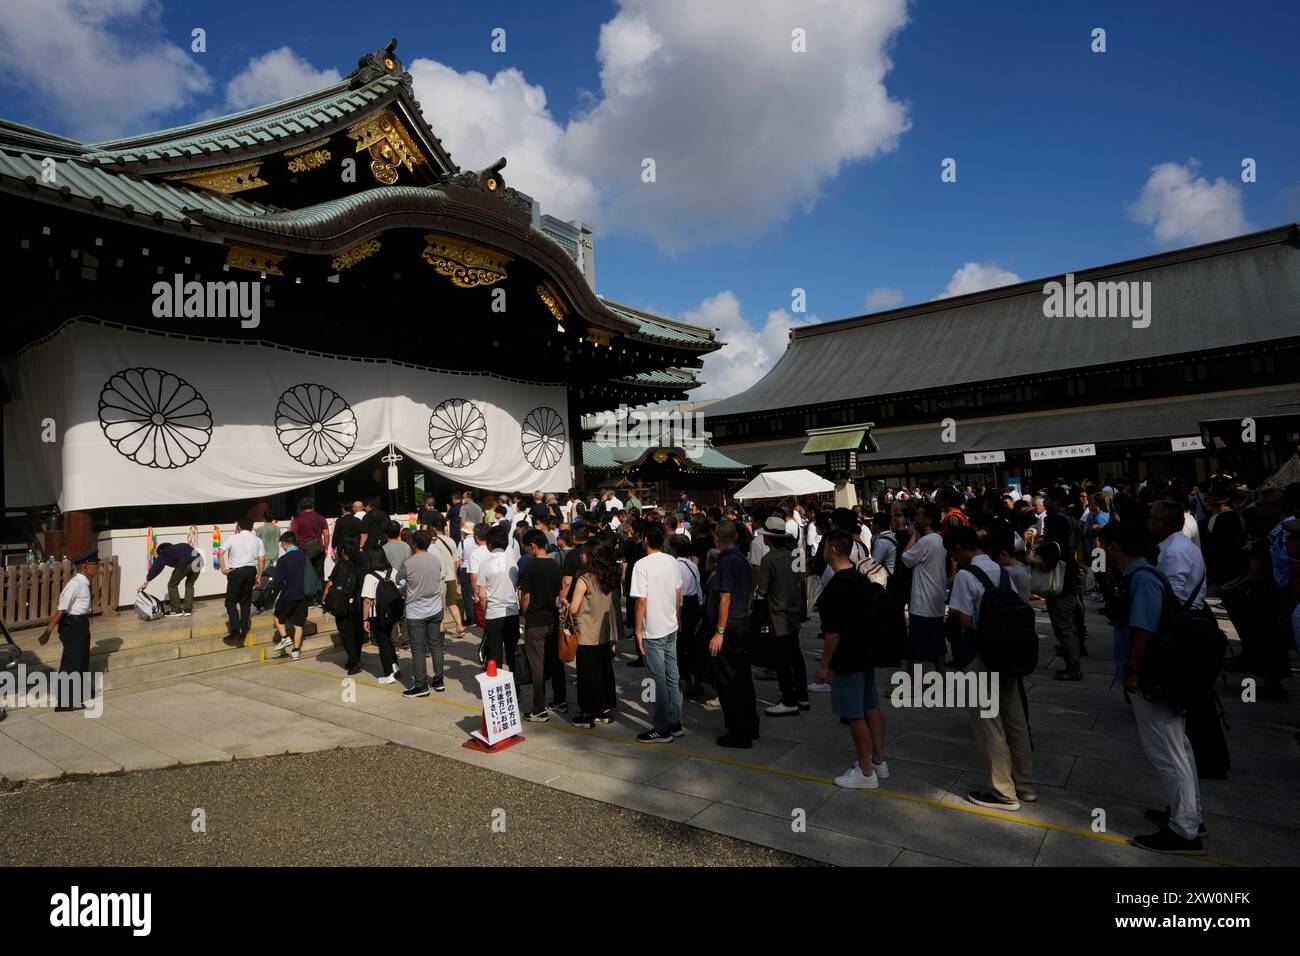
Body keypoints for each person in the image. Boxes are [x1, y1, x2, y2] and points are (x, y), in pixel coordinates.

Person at [1098, 521, 1206, 855]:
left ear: (1115, 545)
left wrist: (1133, 670)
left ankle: (1185, 830)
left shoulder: (1142, 579)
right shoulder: (1143, 574)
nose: (1099, 549)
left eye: (1103, 544)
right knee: (1178, 747)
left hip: (1152, 674)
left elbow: (1143, 628)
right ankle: (1187, 812)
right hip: (1158, 672)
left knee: (1167, 751)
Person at [946, 526, 1035, 811]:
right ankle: (1025, 785)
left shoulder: (964, 575)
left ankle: (1002, 791)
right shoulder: (1002, 570)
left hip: (980, 654)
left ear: (959, 549)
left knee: (989, 722)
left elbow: (962, 622)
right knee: (1014, 718)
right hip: (1009, 652)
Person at [813, 530, 889, 788]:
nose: (822, 550)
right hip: (866, 651)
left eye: (824, 546)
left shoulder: (836, 586)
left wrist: (824, 665)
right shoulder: (860, 577)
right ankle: (878, 760)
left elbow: (833, 631)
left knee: (854, 713)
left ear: (833, 549)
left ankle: (865, 771)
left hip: (847, 656)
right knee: (871, 705)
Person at [630, 522, 684, 742]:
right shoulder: (671, 560)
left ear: (645, 539)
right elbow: (678, 591)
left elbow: (641, 600)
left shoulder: (641, 565)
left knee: (657, 679)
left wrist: (637, 629)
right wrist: (677, 616)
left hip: (653, 628)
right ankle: (676, 722)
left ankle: (661, 727)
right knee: (673, 676)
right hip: (670, 624)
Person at [708, 520, 759, 748]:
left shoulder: (727, 562)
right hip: (742, 622)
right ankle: (750, 724)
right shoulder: (741, 559)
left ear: (717, 538)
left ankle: (738, 731)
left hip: (730, 626)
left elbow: (724, 598)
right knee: (743, 677)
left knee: (728, 679)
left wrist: (719, 631)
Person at [756, 516, 808, 718]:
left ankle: (788, 699)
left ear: (768, 538)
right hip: (793, 611)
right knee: (796, 656)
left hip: (777, 615)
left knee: (781, 660)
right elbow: (799, 580)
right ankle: (802, 695)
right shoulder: (794, 553)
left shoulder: (768, 560)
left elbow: (763, 590)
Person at [37, 548, 100, 710]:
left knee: (82, 661)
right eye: (95, 564)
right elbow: (61, 610)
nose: (97, 567)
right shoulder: (75, 584)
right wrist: (47, 632)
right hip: (73, 626)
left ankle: (80, 692)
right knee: (71, 663)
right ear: (85, 567)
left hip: (81, 625)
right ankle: (64, 703)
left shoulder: (84, 583)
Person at [1025, 512, 1084, 681]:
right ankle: (1073, 665)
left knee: (1064, 632)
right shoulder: (1063, 545)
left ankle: (1073, 669)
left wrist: (1031, 560)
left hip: (1061, 595)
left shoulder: (1054, 546)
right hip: (1068, 592)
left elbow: (1046, 564)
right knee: (1068, 631)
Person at [568, 539, 620, 728]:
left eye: (583, 553)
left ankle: (587, 714)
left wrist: (564, 605)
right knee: (603, 672)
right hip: (604, 633)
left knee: (587, 676)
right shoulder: (609, 576)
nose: (580, 556)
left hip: (587, 633)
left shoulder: (584, 579)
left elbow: (573, 609)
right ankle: (605, 711)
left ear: (590, 556)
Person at [519, 528, 565, 721]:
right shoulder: (555, 566)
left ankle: (539, 708)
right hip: (552, 619)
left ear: (532, 546)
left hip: (536, 621)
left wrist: (525, 613)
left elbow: (526, 596)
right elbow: (559, 592)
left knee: (537, 664)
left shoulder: (530, 567)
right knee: (555, 660)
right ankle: (561, 700)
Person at [901, 502, 947, 672]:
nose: (915, 518)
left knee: (915, 646)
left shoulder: (925, 541)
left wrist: (913, 536)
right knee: (937, 644)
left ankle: (911, 681)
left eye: (919, 515)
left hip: (922, 602)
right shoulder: (939, 539)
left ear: (928, 520)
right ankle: (940, 676)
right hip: (936, 601)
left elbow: (906, 558)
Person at [400, 530, 446, 697]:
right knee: (436, 646)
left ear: (414, 544)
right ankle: (439, 680)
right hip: (435, 608)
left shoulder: (408, 563)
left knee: (418, 650)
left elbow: (399, 578)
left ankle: (421, 685)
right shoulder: (436, 560)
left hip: (416, 611)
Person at [478, 524, 521, 674]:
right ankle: (516, 689)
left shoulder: (485, 566)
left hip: (494, 614)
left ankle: (498, 687)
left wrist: (485, 609)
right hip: (511, 612)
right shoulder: (513, 564)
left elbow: (482, 595)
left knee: (494, 655)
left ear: (489, 545)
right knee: (512, 652)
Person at [219, 516, 265, 646]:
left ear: (238, 527)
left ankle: (235, 630)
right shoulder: (257, 540)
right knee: (245, 601)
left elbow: (220, 553)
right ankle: (244, 629)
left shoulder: (233, 538)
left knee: (230, 601)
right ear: (251, 527)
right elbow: (262, 559)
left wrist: (223, 568)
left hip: (236, 571)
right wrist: (259, 575)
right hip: (251, 571)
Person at [360, 548, 403, 684]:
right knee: (389, 640)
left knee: (383, 643)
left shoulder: (370, 576)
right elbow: (400, 589)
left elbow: (367, 600)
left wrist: (364, 619)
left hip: (376, 614)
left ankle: (388, 673)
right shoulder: (392, 571)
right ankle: (395, 667)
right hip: (392, 612)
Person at [323, 539, 365, 675]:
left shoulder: (341, 565)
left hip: (344, 603)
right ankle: (354, 659)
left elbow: (331, 582)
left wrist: (324, 598)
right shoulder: (361, 565)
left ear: (343, 552)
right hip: (360, 603)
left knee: (346, 634)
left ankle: (354, 661)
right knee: (357, 633)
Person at [268, 532, 311, 661]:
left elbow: (279, 579)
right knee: (299, 625)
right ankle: (296, 651)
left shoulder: (283, 559)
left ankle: (285, 637)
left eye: (282, 544)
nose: (282, 546)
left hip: (288, 594)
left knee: (277, 616)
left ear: (285, 543)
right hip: (302, 595)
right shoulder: (304, 556)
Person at [138, 540, 201, 617]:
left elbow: (156, 567)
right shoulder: (182, 545)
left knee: (172, 585)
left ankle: (176, 610)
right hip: (199, 561)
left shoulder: (165, 552)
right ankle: (188, 609)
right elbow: (194, 553)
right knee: (189, 585)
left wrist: (147, 581)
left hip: (186, 563)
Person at [428, 512, 465, 638]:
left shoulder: (432, 543)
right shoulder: (451, 541)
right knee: (452, 603)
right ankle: (459, 626)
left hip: (441, 578)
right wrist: (454, 573)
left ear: (433, 528)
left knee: (440, 606)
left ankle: (441, 628)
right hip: (451, 576)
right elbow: (456, 559)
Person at [290, 497, 329, 605]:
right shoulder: (320, 518)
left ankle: (308, 599)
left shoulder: (297, 520)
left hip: (303, 550)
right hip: (318, 549)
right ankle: (320, 597)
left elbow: (293, 536)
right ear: (312, 506)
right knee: (319, 574)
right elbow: (326, 534)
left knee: (306, 575)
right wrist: (325, 548)